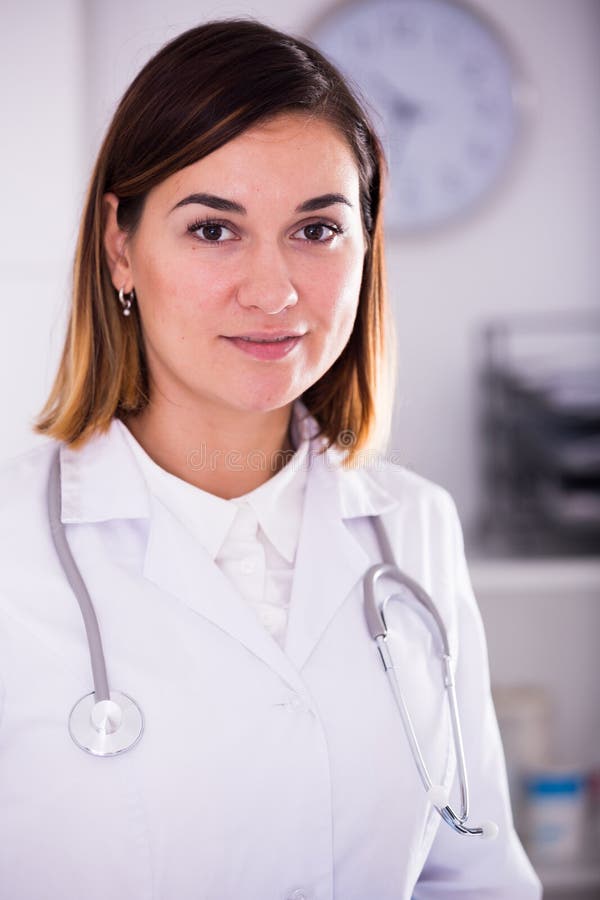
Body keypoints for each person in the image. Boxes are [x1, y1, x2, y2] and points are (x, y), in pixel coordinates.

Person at [0, 17, 541, 900]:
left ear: (366, 247)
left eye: (317, 230)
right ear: (119, 245)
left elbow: (473, 873)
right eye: (214, 230)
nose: (274, 290)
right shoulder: (11, 551)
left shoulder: (414, 531)